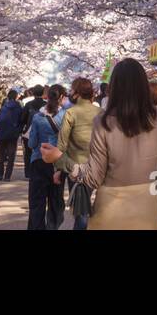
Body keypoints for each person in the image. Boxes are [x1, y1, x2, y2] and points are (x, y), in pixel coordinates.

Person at [42, 59, 157, 230]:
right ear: (143, 85)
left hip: (110, 209)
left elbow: (94, 177)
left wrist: (60, 158)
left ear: (114, 87)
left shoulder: (103, 122)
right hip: (147, 208)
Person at [58, 77, 101, 230]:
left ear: (76, 94)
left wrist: (58, 170)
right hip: (99, 167)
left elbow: (62, 144)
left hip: (75, 169)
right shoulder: (101, 113)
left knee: (81, 212)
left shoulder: (70, 113)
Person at [25, 84, 67, 230]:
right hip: (57, 164)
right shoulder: (66, 117)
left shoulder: (38, 117)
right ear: (62, 97)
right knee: (55, 202)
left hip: (38, 161)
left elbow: (31, 143)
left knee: (37, 202)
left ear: (46, 97)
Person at [0, 90, 23, 181]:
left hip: (2, 133)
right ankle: (7, 176)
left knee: (1, 154)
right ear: (16, 97)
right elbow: (21, 121)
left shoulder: (3, 107)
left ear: (8, 96)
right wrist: (19, 130)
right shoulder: (19, 108)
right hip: (13, 134)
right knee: (11, 155)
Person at [19, 85, 46, 180]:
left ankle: (28, 173)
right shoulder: (46, 105)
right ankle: (40, 173)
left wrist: (21, 130)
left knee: (28, 154)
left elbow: (22, 119)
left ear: (33, 93)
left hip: (28, 133)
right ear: (43, 93)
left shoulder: (28, 104)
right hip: (44, 133)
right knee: (42, 153)